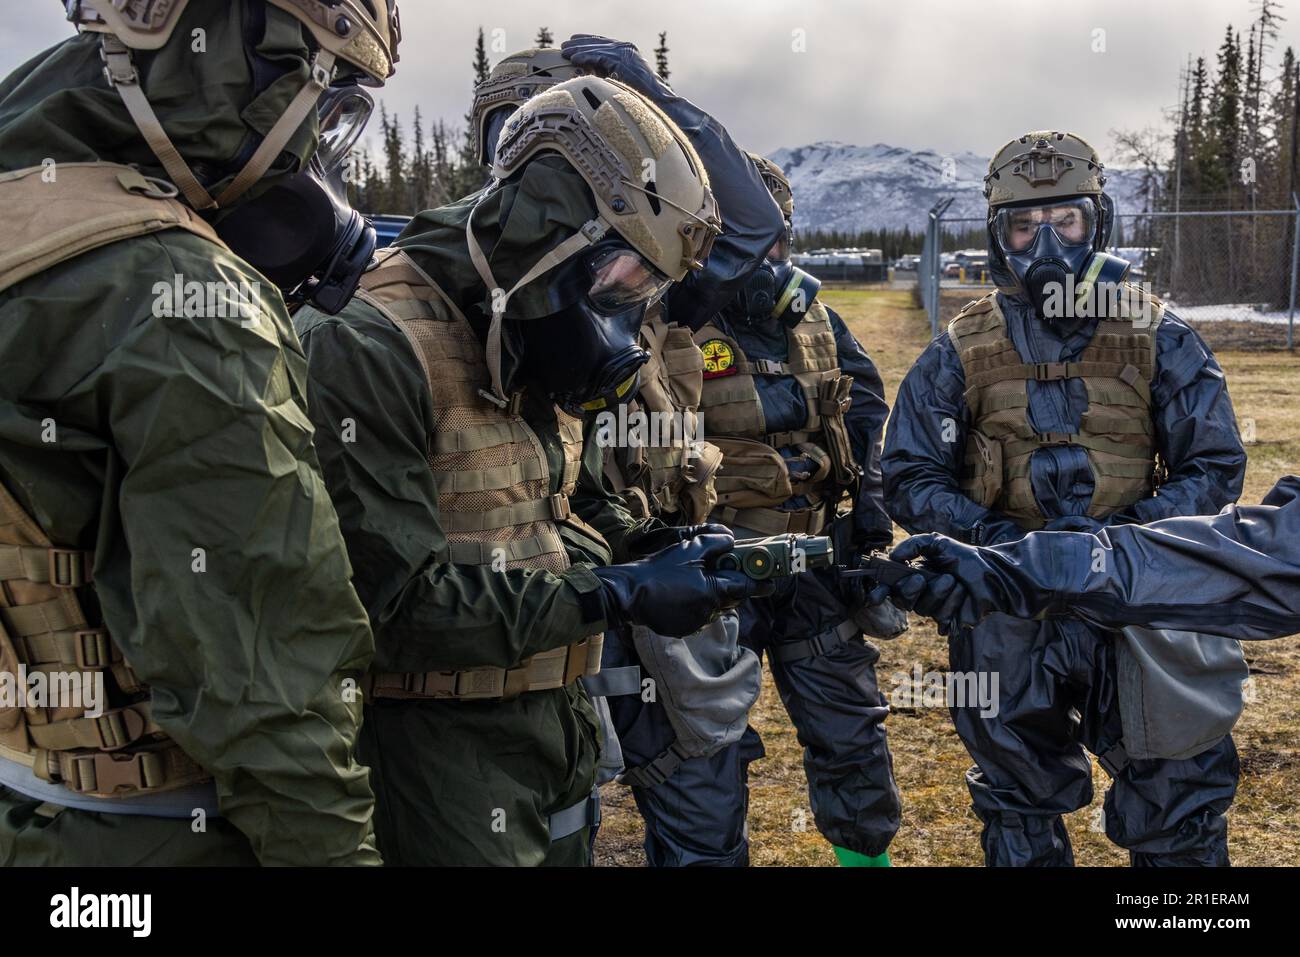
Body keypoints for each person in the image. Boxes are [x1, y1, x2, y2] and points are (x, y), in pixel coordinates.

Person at [291, 68, 773, 866]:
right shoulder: (367, 342)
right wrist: (616, 595)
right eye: (623, 277)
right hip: (429, 754)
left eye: (648, 291)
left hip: (552, 730)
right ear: (554, 224)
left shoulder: (521, 326)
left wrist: (654, 551)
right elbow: (393, 605)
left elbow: (561, 512)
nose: (625, 313)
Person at [0, 0, 401, 865]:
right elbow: (271, 692)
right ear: (246, 67)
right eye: (326, 109)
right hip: (155, 824)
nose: (314, 160)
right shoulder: (188, 302)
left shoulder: (26, 225)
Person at [882, 131, 1249, 867]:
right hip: (1009, 602)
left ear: (1098, 221)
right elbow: (908, 473)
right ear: (999, 235)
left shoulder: (1156, 332)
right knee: (1017, 799)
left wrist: (1122, 545)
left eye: (1066, 220)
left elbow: (1212, 462)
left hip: (1135, 594)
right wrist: (990, 539)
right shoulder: (962, 345)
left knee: (1177, 794)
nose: (1045, 241)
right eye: (1024, 225)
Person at [680, 151, 903, 868]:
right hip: (712, 580)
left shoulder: (819, 320)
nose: (761, 259)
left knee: (852, 738)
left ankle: (863, 859)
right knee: (705, 760)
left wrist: (869, 509)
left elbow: (869, 413)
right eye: (741, 241)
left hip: (813, 566)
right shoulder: (664, 327)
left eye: (773, 241)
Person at [885, 473, 1300, 642]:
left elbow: (1260, 561)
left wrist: (1010, 567)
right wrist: (1006, 560)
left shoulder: (1159, 333)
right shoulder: (963, 342)